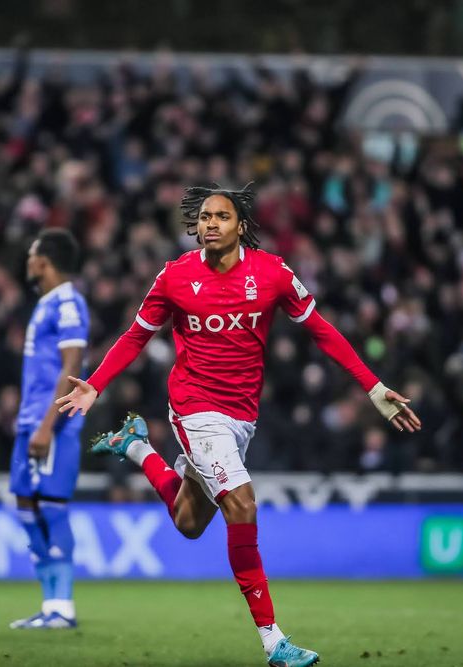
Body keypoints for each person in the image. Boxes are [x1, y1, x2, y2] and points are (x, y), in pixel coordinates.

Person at [56, 184, 420, 666]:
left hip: (241, 417)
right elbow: (135, 336)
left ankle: (137, 447)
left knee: (189, 523)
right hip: (194, 408)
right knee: (243, 505)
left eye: (221, 217)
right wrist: (96, 385)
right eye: (204, 217)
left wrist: (374, 388)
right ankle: (275, 642)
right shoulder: (175, 277)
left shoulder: (272, 274)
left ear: (241, 225)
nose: (210, 224)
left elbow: (322, 331)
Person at [8, 229, 89, 629]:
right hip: (30, 421)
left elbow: (71, 368)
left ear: (44, 261)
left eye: (31, 253)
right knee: (26, 507)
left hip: (50, 423)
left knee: (51, 507)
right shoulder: (45, 303)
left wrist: (47, 425)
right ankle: (49, 603)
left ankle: (63, 606)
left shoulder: (68, 302)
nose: (27, 260)